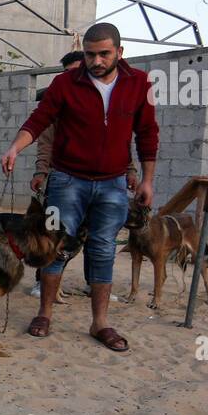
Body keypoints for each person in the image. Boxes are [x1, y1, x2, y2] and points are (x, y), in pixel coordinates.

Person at [1, 22, 158, 352]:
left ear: (119, 52)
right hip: (66, 181)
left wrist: (146, 180)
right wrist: (16, 147)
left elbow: (147, 134)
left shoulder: (139, 83)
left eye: (104, 54)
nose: (97, 61)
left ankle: (100, 322)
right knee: (54, 243)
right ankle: (44, 313)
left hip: (113, 185)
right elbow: (39, 120)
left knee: (103, 248)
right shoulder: (64, 83)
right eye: (90, 54)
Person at [28, 49, 139, 298]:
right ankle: (41, 283)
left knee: (99, 237)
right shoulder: (58, 104)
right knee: (54, 229)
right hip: (64, 181)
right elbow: (45, 141)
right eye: (70, 73)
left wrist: (130, 170)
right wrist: (41, 172)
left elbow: (122, 144)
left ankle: (93, 283)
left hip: (104, 182)